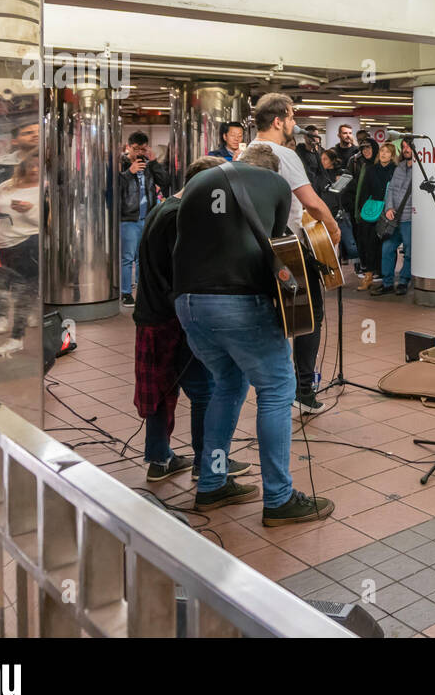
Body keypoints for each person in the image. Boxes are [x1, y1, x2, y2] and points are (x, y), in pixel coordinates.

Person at [172, 152, 334, 526]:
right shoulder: (276, 184)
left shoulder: (198, 181)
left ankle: (212, 481)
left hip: (190, 304)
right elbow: (278, 247)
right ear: (272, 171)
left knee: (226, 386)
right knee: (278, 388)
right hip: (239, 303)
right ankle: (278, 498)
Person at [133, 155, 253, 482]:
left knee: (162, 390)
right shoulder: (179, 217)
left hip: (154, 314)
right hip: (174, 320)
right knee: (207, 391)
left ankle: (159, 458)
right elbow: (184, 274)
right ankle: (208, 464)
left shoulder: (166, 209)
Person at [246, 93, 343, 414]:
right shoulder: (283, 155)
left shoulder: (247, 153)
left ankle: (278, 387)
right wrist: (333, 228)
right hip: (292, 248)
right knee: (308, 318)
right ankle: (303, 391)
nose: (293, 124)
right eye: (290, 118)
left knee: (277, 319)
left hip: (260, 249)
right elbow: (312, 202)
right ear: (278, 121)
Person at [0, 157, 40, 361]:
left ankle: (17, 338)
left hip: (29, 247)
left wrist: (30, 210)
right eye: (30, 164)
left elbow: (48, 221)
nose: (35, 169)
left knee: (22, 298)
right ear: (22, 166)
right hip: (0, 248)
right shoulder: (6, 185)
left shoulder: (46, 187)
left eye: (39, 165)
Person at [119, 130, 169, 307]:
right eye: (136, 149)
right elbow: (115, 189)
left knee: (143, 256)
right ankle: (125, 292)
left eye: (143, 149)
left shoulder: (149, 165)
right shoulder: (122, 165)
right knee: (127, 257)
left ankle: (142, 290)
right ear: (128, 147)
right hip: (128, 218)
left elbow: (165, 182)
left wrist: (154, 162)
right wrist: (129, 173)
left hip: (147, 217)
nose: (139, 153)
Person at [375, 137, 415, 296]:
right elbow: (390, 189)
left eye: (409, 147)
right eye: (404, 146)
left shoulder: (422, 169)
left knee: (409, 251)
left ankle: (404, 281)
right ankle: (387, 283)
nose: (405, 149)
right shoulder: (400, 167)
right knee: (387, 249)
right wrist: (389, 208)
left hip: (409, 218)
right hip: (393, 218)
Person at [344, 138, 385, 288]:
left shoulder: (379, 166)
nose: (366, 151)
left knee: (376, 242)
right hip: (362, 211)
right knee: (364, 241)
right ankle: (369, 269)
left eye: (369, 148)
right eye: (363, 149)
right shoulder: (360, 165)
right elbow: (356, 189)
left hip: (377, 211)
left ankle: (377, 270)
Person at [317, 147, 359, 264]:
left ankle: (360, 266)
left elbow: (351, 191)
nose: (322, 161)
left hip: (342, 214)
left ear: (332, 160)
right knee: (333, 247)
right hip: (327, 216)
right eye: (321, 159)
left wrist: (341, 184)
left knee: (351, 245)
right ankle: (337, 274)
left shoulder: (343, 174)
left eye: (325, 159)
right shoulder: (321, 177)